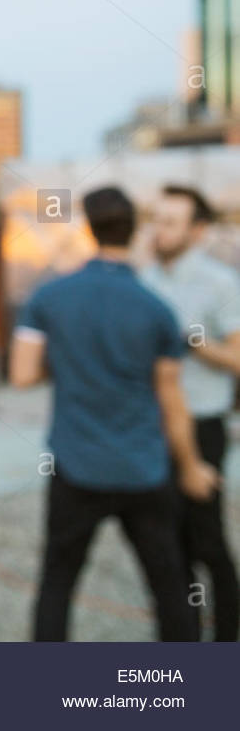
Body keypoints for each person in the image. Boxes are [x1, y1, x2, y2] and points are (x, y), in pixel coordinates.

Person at [9, 186, 219, 641]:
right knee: (169, 585)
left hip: (77, 466)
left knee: (58, 582)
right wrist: (190, 465)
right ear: (134, 230)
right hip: (143, 468)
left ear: (88, 228)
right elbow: (171, 399)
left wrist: (66, 362)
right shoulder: (157, 308)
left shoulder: (50, 297)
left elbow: (22, 374)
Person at [141, 185, 240, 641]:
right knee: (166, 543)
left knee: (208, 541)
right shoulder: (143, 281)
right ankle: (180, 643)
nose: (159, 230)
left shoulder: (220, 283)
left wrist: (196, 343)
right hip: (155, 427)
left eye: (171, 222)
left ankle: (226, 639)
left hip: (201, 425)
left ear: (197, 231)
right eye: (156, 220)